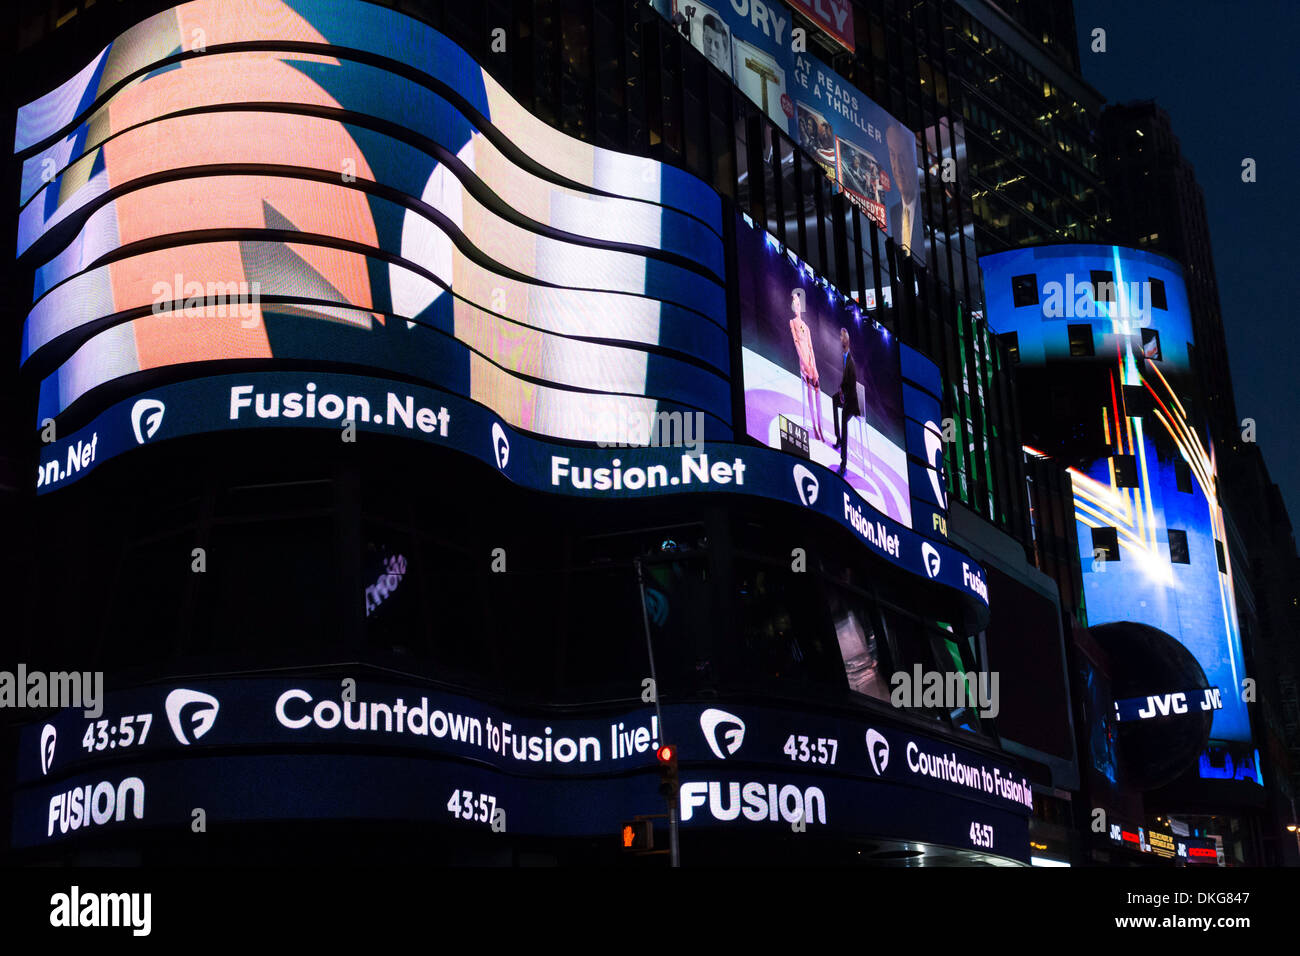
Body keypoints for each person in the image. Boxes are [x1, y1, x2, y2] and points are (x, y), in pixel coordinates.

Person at [788, 288, 825, 442]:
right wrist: (804, 362)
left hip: (810, 360)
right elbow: (797, 343)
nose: (797, 306)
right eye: (795, 304)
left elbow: (811, 347)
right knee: (809, 389)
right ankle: (814, 425)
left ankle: (820, 425)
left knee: (818, 390)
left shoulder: (807, 327)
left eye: (798, 303)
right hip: (803, 361)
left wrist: (814, 366)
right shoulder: (792, 322)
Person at [886, 123, 923, 258]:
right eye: (892, 155)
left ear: (914, 159)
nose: (898, 167)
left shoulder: (926, 208)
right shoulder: (893, 212)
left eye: (903, 156)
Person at [831, 327, 860, 475]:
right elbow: (845, 381)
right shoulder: (844, 356)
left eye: (841, 337)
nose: (840, 339)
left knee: (844, 421)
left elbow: (852, 387)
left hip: (853, 403)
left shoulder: (851, 362)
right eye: (840, 337)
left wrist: (844, 395)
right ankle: (838, 439)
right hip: (846, 395)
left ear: (846, 341)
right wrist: (841, 391)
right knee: (834, 399)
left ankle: (843, 464)